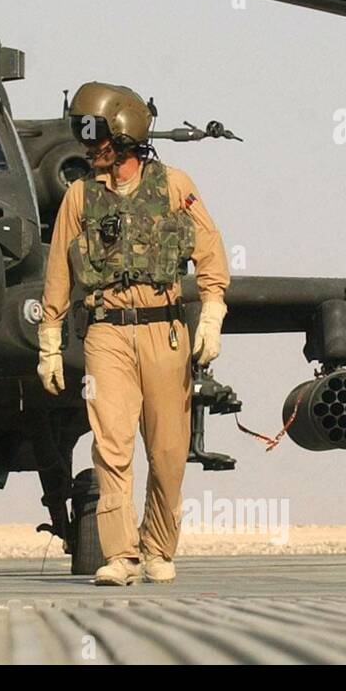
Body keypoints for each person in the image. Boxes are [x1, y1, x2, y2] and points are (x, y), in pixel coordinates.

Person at [38, 82, 230, 585]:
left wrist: (211, 313)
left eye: (94, 136)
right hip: (107, 332)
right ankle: (120, 555)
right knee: (112, 445)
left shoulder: (174, 185)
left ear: (123, 134)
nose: (86, 146)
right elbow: (58, 269)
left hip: (165, 330)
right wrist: (50, 341)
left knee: (168, 451)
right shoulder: (80, 196)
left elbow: (209, 250)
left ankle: (158, 548)